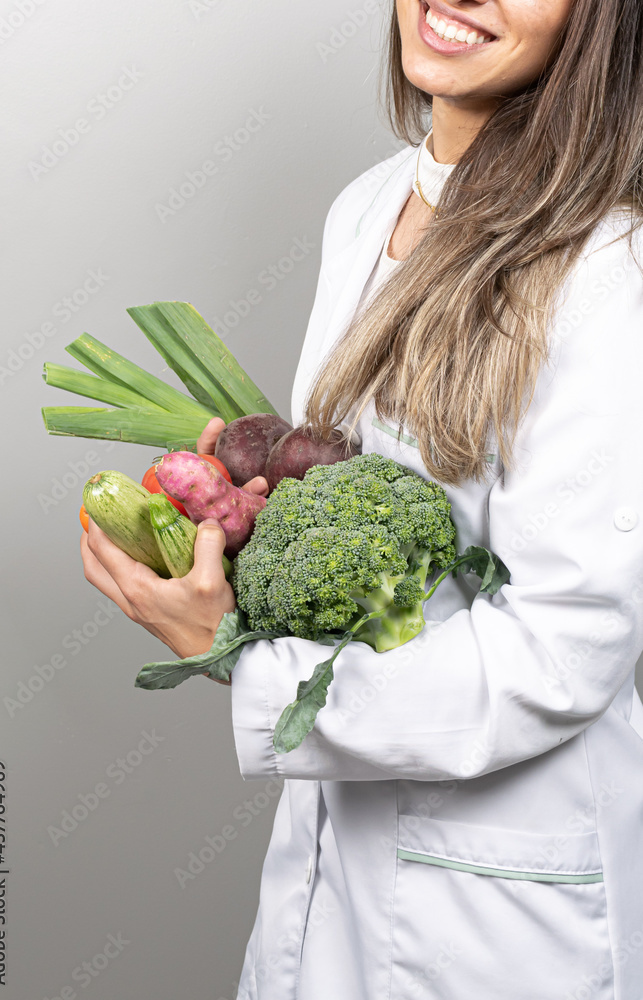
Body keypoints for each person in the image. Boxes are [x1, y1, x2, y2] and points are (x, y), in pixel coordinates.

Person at [81, 0, 643, 996]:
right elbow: (358, 504)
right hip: (324, 875)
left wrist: (248, 660)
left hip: (496, 921)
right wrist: (247, 524)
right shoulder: (366, 206)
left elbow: (566, 643)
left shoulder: (611, 271)